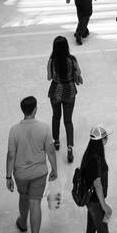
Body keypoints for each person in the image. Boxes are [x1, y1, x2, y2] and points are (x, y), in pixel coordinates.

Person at [5, 95, 57, 233]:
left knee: (23, 197)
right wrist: (54, 169)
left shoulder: (14, 130)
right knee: (35, 204)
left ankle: (22, 221)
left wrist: (8, 176)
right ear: (35, 109)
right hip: (39, 174)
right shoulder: (45, 128)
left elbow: (11, 155)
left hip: (20, 174)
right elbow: (50, 151)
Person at [80, 126, 115, 233]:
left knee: (91, 229)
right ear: (101, 140)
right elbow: (98, 184)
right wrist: (104, 205)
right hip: (95, 202)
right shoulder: (95, 159)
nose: (107, 139)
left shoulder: (90, 154)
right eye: (105, 137)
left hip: (90, 201)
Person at [47, 34, 83, 163]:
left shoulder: (52, 61)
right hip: (69, 90)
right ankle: (69, 148)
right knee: (68, 121)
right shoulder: (72, 59)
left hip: (56, 91)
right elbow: (78, 73)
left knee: (56, 116)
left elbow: (49, 77)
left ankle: (56, 141)